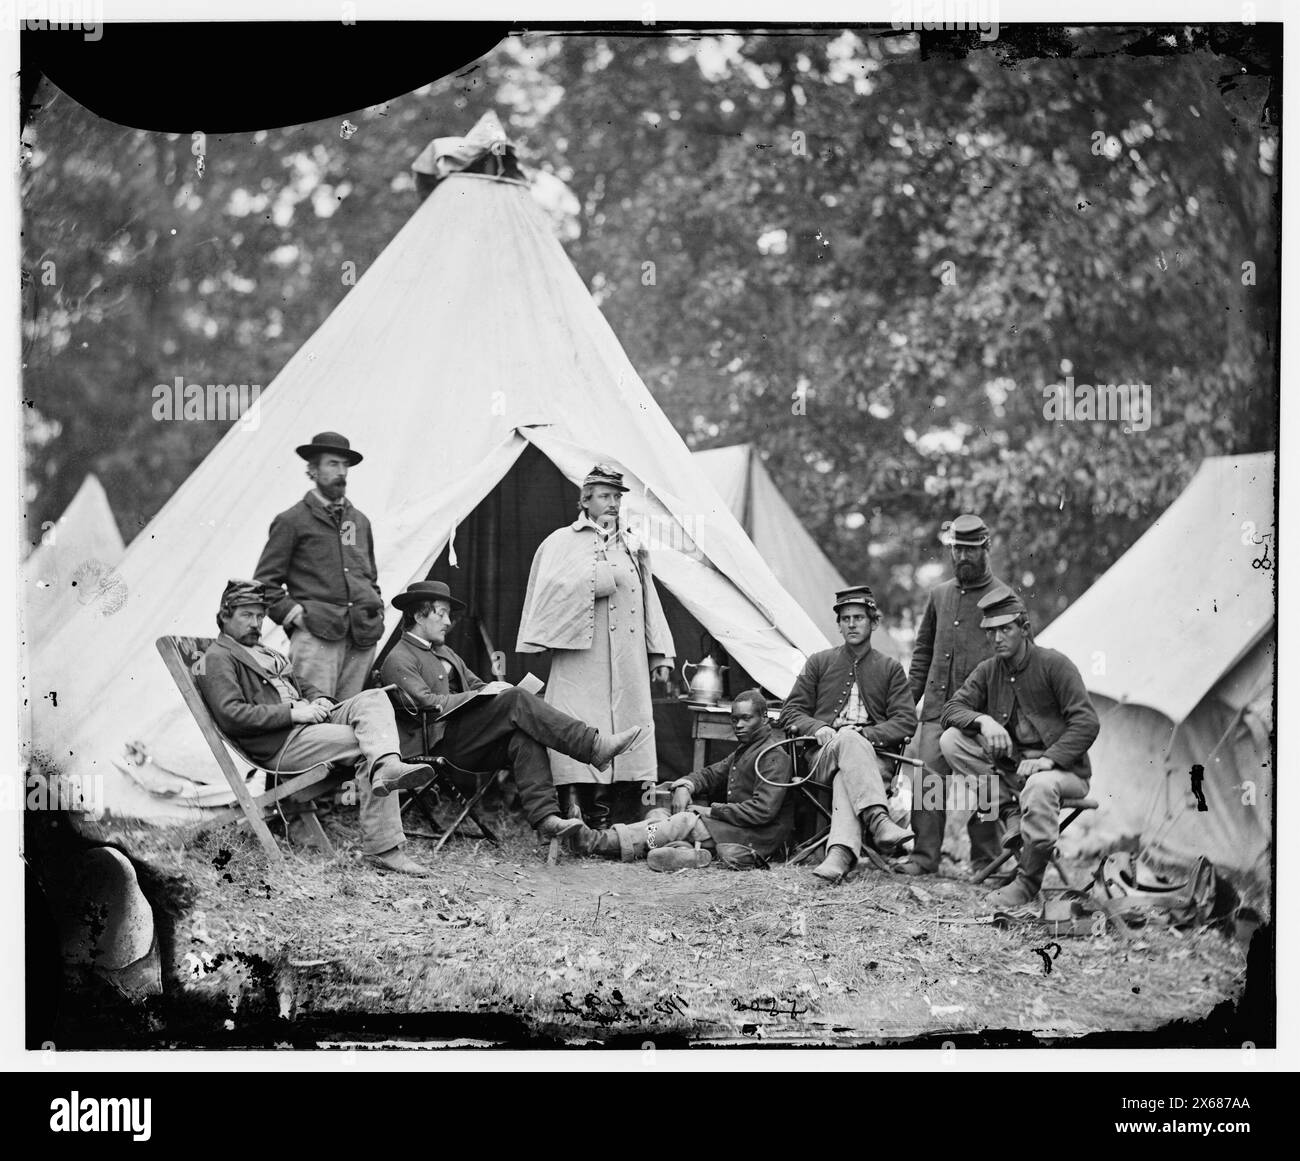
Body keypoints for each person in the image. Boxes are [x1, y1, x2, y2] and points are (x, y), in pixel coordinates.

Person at [195, 580, 439, 876]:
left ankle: (388, 766)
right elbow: (232, 715)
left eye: (260, 616)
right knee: (369, 744)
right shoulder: (217, 657)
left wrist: (319, 699)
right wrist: (294, 713)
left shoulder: (263, 651)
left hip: (306, 725)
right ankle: (384, 848)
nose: (256, 623)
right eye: (246, 615)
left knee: (374, 697)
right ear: (225, 615)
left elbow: (301, 684)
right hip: (281, 742)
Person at [378, 581, 648, 840]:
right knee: (516, 700)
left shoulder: (446, 652)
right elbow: (429, 706)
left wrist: (495, 690)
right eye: (441, 613)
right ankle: (593, 746)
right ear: (418, 615)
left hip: (467, 740)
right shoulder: (399, 658)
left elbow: (476, 685)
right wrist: (491, 696)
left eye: (448, 614)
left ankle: (547, 819)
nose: (448, 622)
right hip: (437, 744)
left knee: (523, 736)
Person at [516, 463, 674, 828]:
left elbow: (648, 597)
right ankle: (579, 813)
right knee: (582, 727)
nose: (613, 503)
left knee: (630, 730)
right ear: (585, 500)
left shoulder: (632, 543)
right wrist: (601, 577)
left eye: (617, 497)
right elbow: (550, 593)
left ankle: (617, 820)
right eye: (605, 496)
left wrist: (659, 653)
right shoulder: (562, 541)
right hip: (583, 661)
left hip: (628, 658)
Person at [939, 586, 1101, 908]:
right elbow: (950, 710)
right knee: (951, 740)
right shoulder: (989, 671)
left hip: (1063, 774)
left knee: (1040, 785)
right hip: (1014, 776)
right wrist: (984, 721)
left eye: (1005, 629)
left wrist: (1049, 760)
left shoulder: (1055, 665)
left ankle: (1027, 882)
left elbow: (1087, 723)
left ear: (1024, 629)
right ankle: (1010, 812)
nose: (997, 638)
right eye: (991, 631)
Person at [779, 586, 917, 884]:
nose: (852, 624)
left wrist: (865, 734)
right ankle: (879, 821)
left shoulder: (890, 668)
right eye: (845, 619)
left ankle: (839, 854)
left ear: (874, 623)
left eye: (859, 618)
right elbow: (790, 712)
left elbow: (906, 721)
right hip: (823, 758)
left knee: (849, 765)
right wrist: (818, 728)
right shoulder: (819, 662)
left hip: (875, 762)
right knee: (848, 741)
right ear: (839, 625)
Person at [898, 513, 1008, 879]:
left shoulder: (1004, 597)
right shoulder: (939, 595)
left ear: (986, 548)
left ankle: (987, 859)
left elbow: (1018, 660)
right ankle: (925, 856)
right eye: (957, 549)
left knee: (988, 784)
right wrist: (906, 706)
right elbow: (922, 655)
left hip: (982, 716)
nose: (962, 557)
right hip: (937, 711)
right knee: (929, 779)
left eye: (970, 550)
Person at [581, 690, 795, 871]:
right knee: (658, 814)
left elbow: (762, 811)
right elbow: (710, 774)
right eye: (734, 719)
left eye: (746, 718)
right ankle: (684, 852)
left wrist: (711, 811)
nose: (738, 725)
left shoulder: (773, 756)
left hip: (756, 837)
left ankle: (597, 842)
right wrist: (685, 786)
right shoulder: (748, 750)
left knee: (681, 821)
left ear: (764, 718)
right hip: (734, 827)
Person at [254, 431, 384, 702]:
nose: (341, 472)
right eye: (333, 464)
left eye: (345, 465)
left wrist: (376, 608)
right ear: (312, 470)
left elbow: (368, 575)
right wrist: (297, 616)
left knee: (349, 715)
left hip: (361, 636)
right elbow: (265, 584)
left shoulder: (358, 522)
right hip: (317, 637)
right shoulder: (292, 520)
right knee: (316, 712)